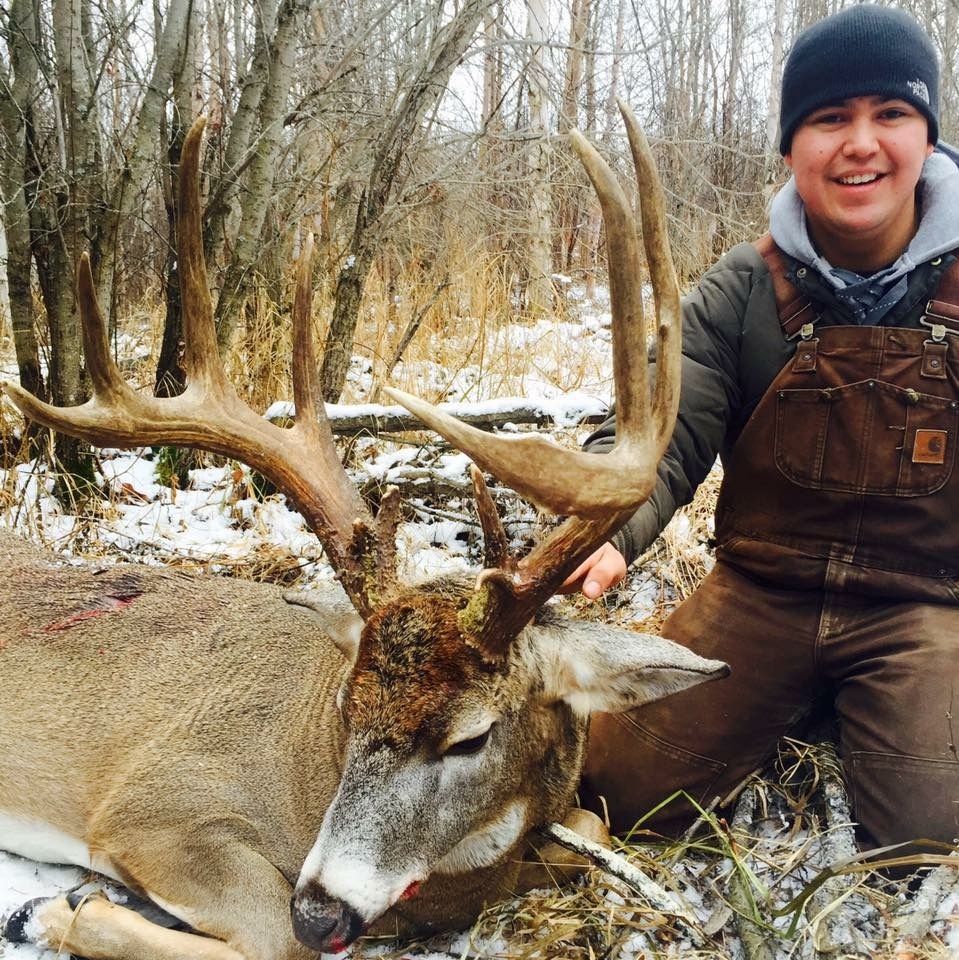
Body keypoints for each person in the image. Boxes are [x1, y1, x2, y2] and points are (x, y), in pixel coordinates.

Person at [567, 3, 959, 851]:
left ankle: (869, 707)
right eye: (829, 118)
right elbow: (660, 430)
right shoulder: (742, 288)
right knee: (616, 795)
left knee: (929, 839)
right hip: (760, 593)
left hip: (921, 604)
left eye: (890, 113)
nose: (860, 143)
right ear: (789, 148)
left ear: (927, 139)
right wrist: (600, 528)